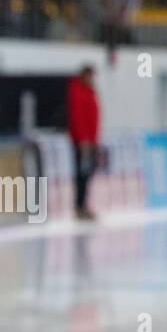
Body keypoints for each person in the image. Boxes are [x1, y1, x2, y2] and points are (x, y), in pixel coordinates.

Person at [67, 65, 100, 220]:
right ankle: (79, 206)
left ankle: (83, 205)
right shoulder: (78, 92)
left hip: (91, 141)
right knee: (81, 174)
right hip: (82, 142)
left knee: (87, 174)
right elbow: (78, 117)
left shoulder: (89, 91)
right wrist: (82, 139)